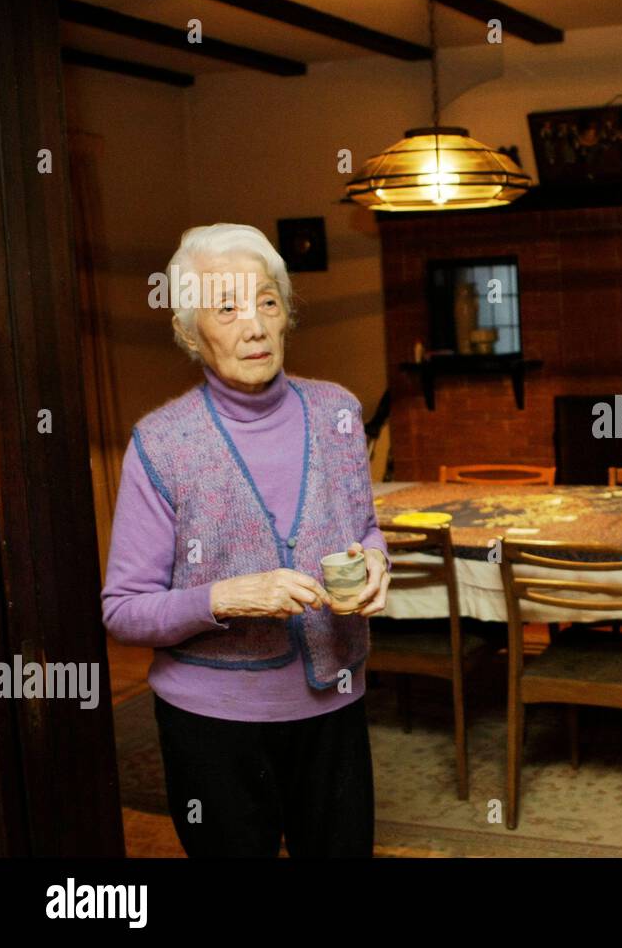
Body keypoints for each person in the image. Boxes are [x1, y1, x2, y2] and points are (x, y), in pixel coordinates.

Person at [102, 223, 391, 857]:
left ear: (287, 313)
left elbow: (363, 527)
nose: (253, 326)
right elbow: (123, 611)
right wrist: (224, 598)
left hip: (333, 705)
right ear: (187, 332)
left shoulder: (338, 412)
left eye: (266, 301)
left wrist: (375, 560)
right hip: (213, 726)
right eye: (226, 308)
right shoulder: (163, 443)